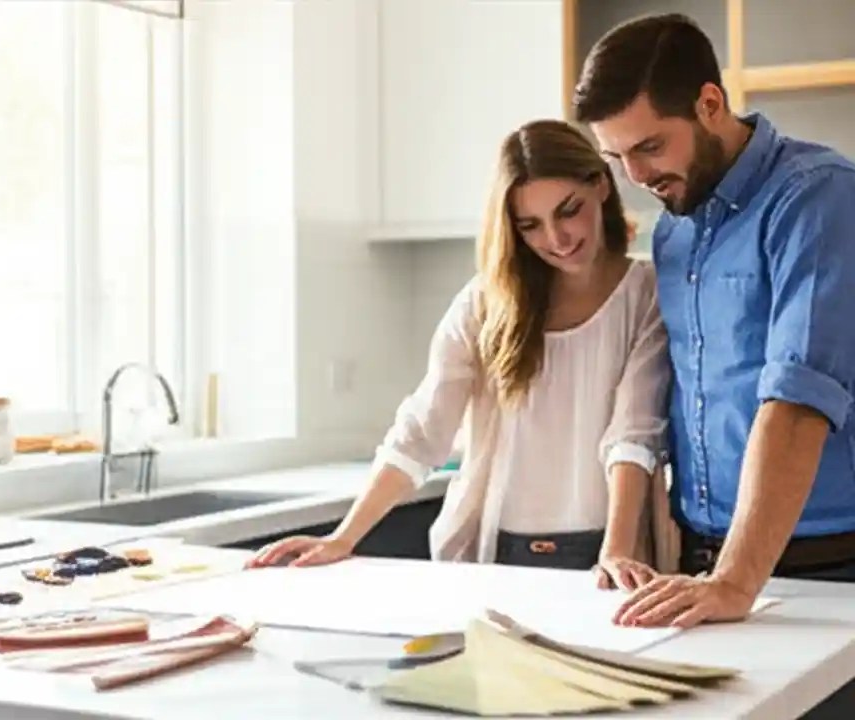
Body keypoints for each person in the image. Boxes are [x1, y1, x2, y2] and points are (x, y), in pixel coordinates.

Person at [247, 120, 673, 591]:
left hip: (605, 555)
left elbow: (634, 433)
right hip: (496, 550)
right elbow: (423, 430)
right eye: (530, 225)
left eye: (568, 211)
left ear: (599, 185)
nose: (556, 238)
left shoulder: (647, 293)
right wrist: (343, 537)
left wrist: (616, 550)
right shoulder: (487, 302)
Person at [574, 13, 855, 629]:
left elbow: (797, 397)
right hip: (708, 562)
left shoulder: (817, 197)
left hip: (827, 568)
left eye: (649, 146)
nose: (637, 177)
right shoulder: (674, 226)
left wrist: (734, 580)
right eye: (617, 156)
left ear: (709, 104)